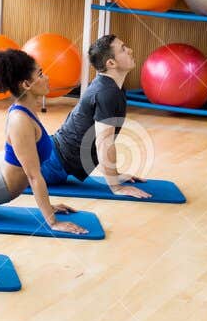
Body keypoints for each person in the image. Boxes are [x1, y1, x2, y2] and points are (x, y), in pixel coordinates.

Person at [0, 49, 91, 235]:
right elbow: (33, 176)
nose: (46, 77)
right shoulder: (20, 120)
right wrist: (52, 222)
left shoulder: (27, 112)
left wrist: (48, 205)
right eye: (40, 74)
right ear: (26, 84)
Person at [49, 34, 150, 198]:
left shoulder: (113, 86)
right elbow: (104, 143)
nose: (130, 50)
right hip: (49, 163)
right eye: (123, 49)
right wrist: (116, 187)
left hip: (52, 157)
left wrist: (115, 174)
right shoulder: (107, 93)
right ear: (110, 63)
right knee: (2, 176)